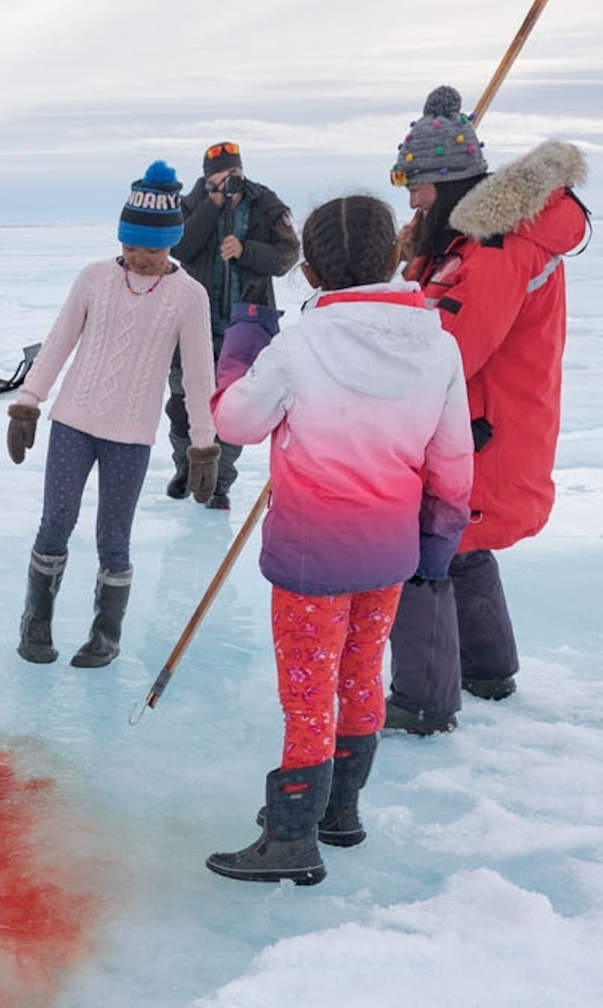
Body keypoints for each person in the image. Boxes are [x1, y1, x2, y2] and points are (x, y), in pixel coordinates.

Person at [201, 193, 473, 884]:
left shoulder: (300, 345)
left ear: (313, 273)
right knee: (359, 675)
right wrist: (436, 548)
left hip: (310, 553)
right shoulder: (439, 345)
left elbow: (235, 423)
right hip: (388, 550)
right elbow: (452, 462)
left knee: (308, 691)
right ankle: (339, 810)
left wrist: (240, 345)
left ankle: (293, 836)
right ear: (392, 257)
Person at [381, 88, 591, 734]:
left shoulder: (497, 251)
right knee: (463, 548)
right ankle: (487, 670)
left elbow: (448, 351)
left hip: (482, 430)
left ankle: (423, 702)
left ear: (444, 184)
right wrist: (420, 256)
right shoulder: (476, 245)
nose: (409, 198)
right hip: (482, 424)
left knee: (423, 554)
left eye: (414, 185)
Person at [3, 163, 216, 668]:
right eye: (132, 247)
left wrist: (203, 443)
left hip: (131, 436)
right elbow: (58, 342)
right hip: (73, 423)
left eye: (153, 250)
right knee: (55, 521)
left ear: (172, 245)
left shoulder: (190, 297)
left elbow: (200, 375)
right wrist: (29, 402)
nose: (140, 259)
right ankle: (36, 624)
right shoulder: (94, 278)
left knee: (113, 537)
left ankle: (106, 633)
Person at [169, 141, 299, 509]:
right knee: (183, 404)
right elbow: (181, 247)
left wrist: (247, 252)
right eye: (221, 176)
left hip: (247, 325)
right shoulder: (192, 202)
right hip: (193, 323)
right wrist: (211, 206)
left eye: (234, 174)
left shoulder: (266, 204)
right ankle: (186, 470)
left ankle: (219, 483)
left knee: (233, 406)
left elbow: (288, 255)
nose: (230, 182)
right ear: (208, 177)